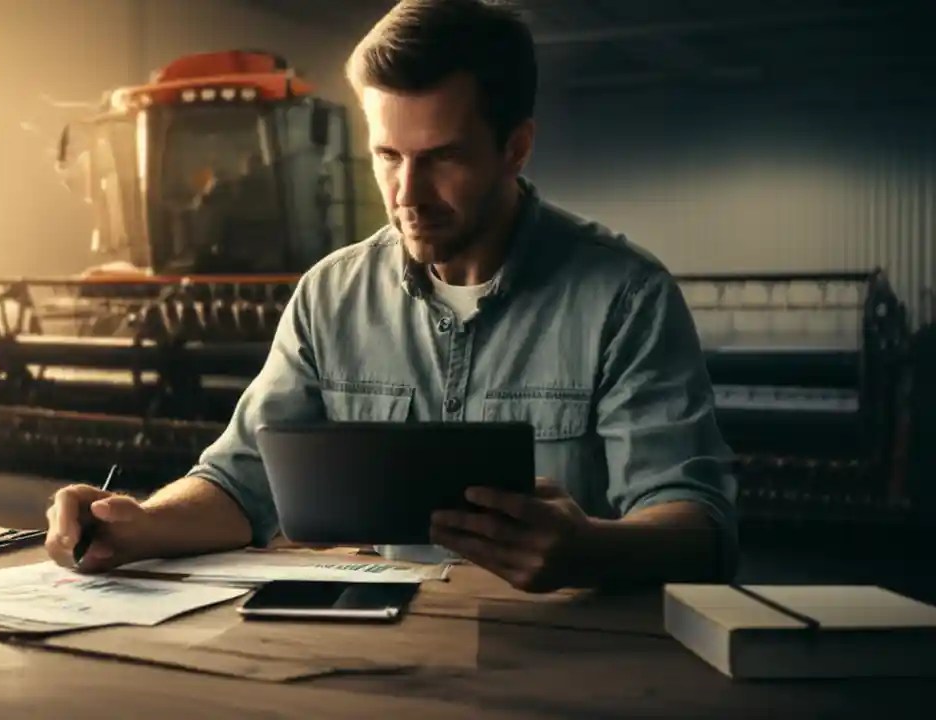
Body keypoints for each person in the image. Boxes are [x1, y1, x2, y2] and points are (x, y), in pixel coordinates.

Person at [45, 0, 738, 592]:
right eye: (387, 156)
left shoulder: (624, 297)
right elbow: (240, 482)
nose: (406, 194)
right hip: (383, 657)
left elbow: (698, 527)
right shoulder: (329, 295)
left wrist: (588, 551)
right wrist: (138, 524)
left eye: (441, 157)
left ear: (516, 148)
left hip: (565, 659)